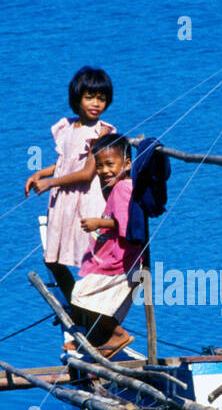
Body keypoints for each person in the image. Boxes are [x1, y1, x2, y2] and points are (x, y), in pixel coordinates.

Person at [24, 67, 116, 304]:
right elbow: (66, 163)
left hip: (86, 202)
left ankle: (97, 320)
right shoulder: (68, 127)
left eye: (101, 99)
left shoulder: (100, 133)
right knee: (53, 260)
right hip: (64, 202)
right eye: (90, 97)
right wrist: (40, 174)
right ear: (77, 99)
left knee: (92, 261)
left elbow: (86, 173)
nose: (96, 103)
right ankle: (78, 308)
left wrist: (50, 183)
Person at [67, 133, 144, 357]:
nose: (104, 171)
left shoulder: (122, 189)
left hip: (120, 260)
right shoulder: (123, 186)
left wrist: (98, 223)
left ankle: (118, 335)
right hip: (125, 258)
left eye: (110, 164)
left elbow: (124, 224)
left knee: (81, 293)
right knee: (102, 302)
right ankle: (95, 340)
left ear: (127, 164)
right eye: (99, 166)